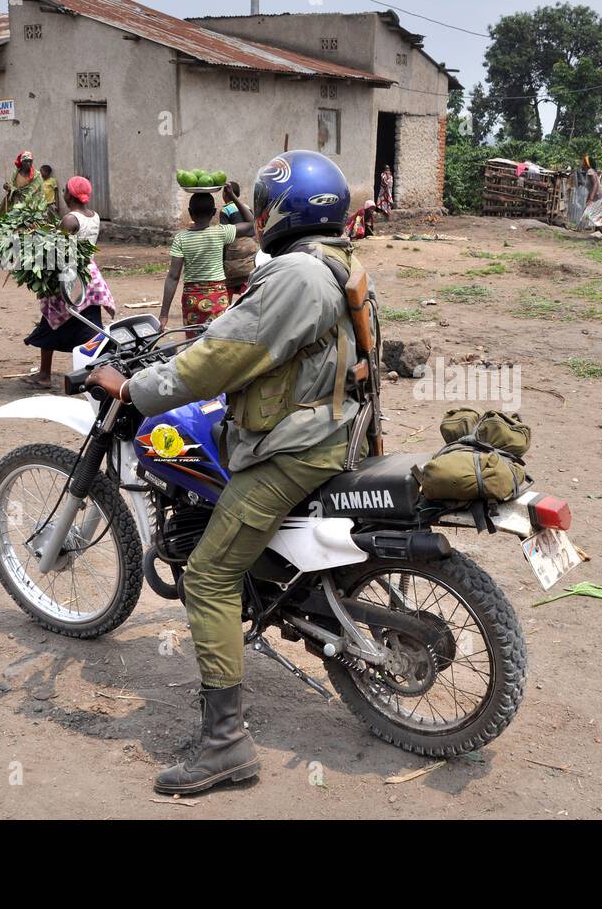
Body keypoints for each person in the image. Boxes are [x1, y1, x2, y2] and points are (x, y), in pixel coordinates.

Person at [85, 149, 364, 796]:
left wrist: (134, 387)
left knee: (209, 576)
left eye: (263, 206)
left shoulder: (294, 274)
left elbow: (217, 360)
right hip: (327, 430)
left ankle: (225, 744)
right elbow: (255, 339)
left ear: (278, 211)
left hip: (293, 450)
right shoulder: (334, 260)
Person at [20, 176, 114, 388]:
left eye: (64, 190)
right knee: (89, 324)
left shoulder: (70, 220)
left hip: (69, 278)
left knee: (52, 319)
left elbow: (57, 253)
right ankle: (97, 372)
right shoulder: (95, 216)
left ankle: (45, 375)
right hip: (89, 278)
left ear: (70, 195)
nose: (62, 193)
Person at [161, 189, 255, 335]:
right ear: (214, 212)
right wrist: (232, 197)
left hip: (192, 300)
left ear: (190, 212)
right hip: (217, 298)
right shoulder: (220, 232)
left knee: (193, 342)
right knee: (217, 340)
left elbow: (173, 277)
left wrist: (164, 314)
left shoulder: (181, 238)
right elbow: (250, 222)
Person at [220, 181, 259, 298]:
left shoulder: (225, 210)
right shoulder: (247, 208)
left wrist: (222, 259)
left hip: (234, 251)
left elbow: (224, 235)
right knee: (248, 287)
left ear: (225, 194)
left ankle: (228, 306)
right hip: (249, 250)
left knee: (228, 287)